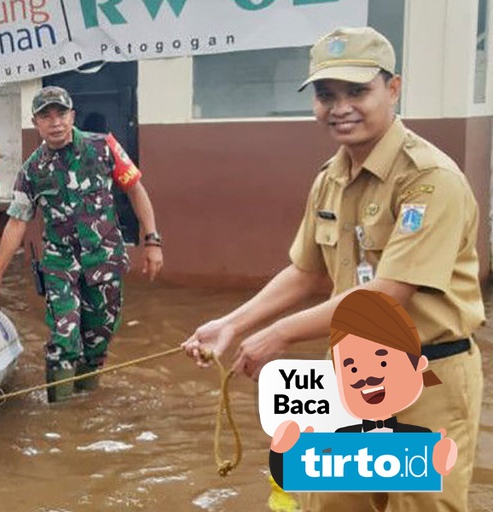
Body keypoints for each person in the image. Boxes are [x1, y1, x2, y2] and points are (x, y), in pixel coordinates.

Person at [182, 27, 482, 511]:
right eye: (326, 94)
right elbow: (306, 273)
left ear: (394, 89)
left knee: (421, 506)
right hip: (349, 379)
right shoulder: (331, 177)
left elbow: (385, 297)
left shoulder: (430, 180)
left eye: (357, 91)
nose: (340, 107)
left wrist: (278, 335)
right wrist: (232, 325)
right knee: (333, 503)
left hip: (430, 378)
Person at [0, 86, 164, 403]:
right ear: (36, 122)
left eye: (61, 114)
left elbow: (135, 189)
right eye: (46, 116)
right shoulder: (32, 170)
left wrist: (151, 240)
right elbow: (18, 222)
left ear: (72, 115)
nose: (55, 122)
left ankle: (85, 404)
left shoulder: (104, 147)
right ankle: (61, 419)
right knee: (64, 340)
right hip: (59, 264)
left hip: (104, 260)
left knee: (97, 342)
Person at [268, 290, 458, 489]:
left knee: (420, 498)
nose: (367, 378)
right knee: (334, 497)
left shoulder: (419, 439)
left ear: (418, 366)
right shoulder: (340, 439)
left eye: (382, 363)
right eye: (353, 369)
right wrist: (284, 453)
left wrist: (439, 459)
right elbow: (298, 471)